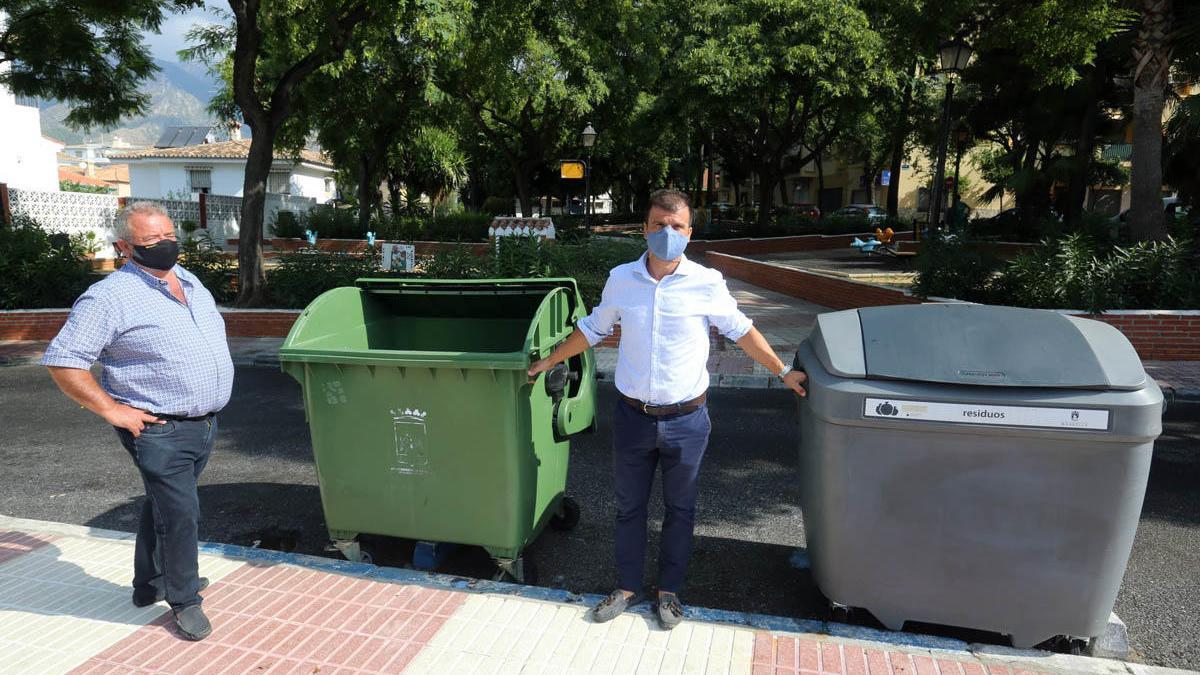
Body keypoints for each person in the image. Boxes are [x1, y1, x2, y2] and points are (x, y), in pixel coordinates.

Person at [528, 189, 807, 629]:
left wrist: (782, 371)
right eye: (659, 224)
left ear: (689, 232)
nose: (667, 233)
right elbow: (593, 329)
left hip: (687, 420)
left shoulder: (707, 282)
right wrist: (548, 360)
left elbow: (742, 330)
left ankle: (669, 592)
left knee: (681, 509)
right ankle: (625, 586)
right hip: (633, 416)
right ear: (644, 228)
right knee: (628, 507)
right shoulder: (622, 279)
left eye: (676, 226)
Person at [42, 202, 233, 641]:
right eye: (152, 241)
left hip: (203, 423)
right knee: (181, 513)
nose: (166, 245)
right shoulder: (109, 297)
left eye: (169, 236)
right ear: (124, 247)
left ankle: (148, 585)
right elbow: (64, 362)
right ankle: (184, 599)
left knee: (163, 506)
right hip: (158, 428)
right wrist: (112, 409)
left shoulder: (188, 280)